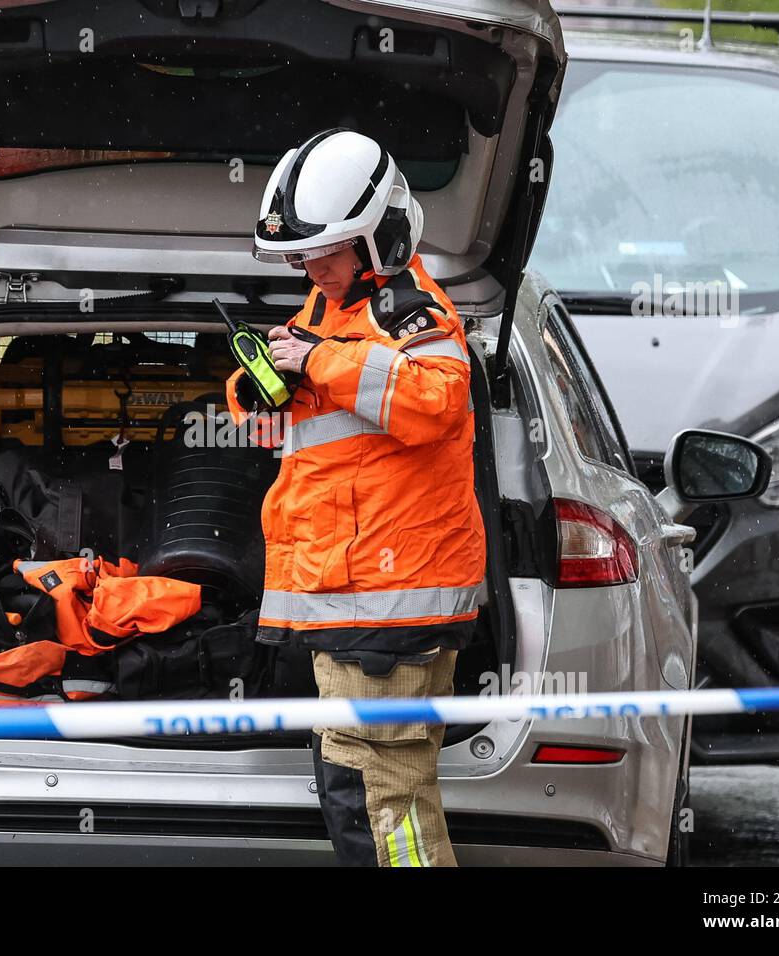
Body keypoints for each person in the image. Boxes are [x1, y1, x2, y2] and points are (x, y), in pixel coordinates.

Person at [226, 129, 486, 867]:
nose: (311, 266)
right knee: (367, 786)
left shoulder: (410, 310)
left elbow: (435, 399)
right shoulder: (330, 305)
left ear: (379, 239)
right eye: (303, 254)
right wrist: (258, 386)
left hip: (387, 600)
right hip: (355, 598)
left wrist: (320, 362)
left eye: (325, 251)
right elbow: (310, 415)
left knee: (378, 796)